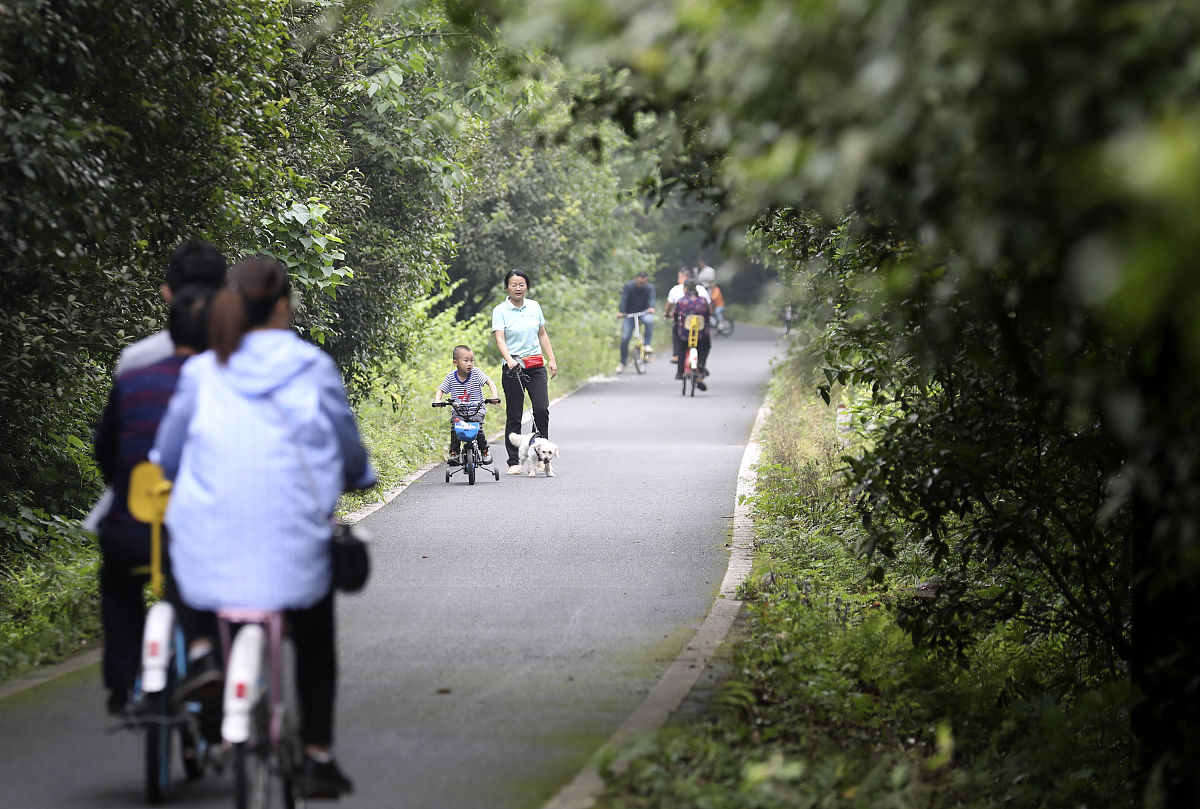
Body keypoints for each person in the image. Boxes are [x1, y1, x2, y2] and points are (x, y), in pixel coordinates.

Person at [152, 256, 375, 798]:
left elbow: (168, 456)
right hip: (294, 544)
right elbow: (346, 444)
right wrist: (359, 476)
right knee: (316, 636)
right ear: (283, 305)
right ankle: (318, 754)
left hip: (209, 547)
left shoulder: (204, 370)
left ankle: (204, 652)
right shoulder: (311, 365)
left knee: (183, 540)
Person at [92, 286, 214, 716]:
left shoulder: (131, 381)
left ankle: (122, 683)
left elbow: (105, 450)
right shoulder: (221, 387)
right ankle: (210, 674)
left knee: (119, 584)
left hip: (132, 525)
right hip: (198, 531)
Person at [83, 240, 228, 534]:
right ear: (225, 296)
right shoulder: (243, 361)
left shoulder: (136, 360)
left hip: (142, 504)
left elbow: (108, 445)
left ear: (166, 293)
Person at [491, 269, 558, 475]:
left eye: (521, 284)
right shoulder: (500, 310)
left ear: (526, 286)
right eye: (513, 284)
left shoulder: (534, 307)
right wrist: (509, 360)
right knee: (514, 413)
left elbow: (542, 334)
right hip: (513, 368)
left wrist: (552, 358)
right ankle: (514, 461)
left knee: (541, 409)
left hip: (536, 365)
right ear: (507, 287)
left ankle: (540, 457)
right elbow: (500, 338)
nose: (518, 288)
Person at [432, 344, 499, 465]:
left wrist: (494, 396)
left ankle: (484, 450)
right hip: (459, 410)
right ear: (455, 362)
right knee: (455, 428)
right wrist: (438, 400)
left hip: (476, 409)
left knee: (477, 427)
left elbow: (490, 382)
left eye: (472, 360)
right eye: (466, 360)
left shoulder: (476, 373)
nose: (470, 364)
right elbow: (440, 390)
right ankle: (454, 453)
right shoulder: (451, 377)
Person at [664, 268, 711, 364]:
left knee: (677, 332)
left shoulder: (680, 298)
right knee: (705, 345)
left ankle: (676, 357)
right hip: (701, 331)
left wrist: (670, 316)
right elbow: (709, 312)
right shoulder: (702, 296)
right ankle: (701, 366)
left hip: (685, 331)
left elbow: (673, 312)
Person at [674, 278, 711, 390]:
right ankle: (701, 365)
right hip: (700, 335)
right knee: (705, 346)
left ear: (685, 288)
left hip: (685, 334)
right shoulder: (703, 301)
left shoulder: (681, 301)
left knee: (681, 347)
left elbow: (676, 315)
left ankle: (680, 371)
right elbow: (708, 314)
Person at [616, 271, 656, 371]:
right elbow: (623, 300)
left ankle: (647, 344)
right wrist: (621, 312)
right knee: (625, 338)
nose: (641, 285)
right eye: (639, 282)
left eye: (643, 283)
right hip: (630, 313)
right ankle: (623, 362)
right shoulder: (629, 287)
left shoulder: (649, 288)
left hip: (643, 312)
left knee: (649, 321)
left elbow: (652, 299)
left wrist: (651, 307)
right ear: (636, 280)